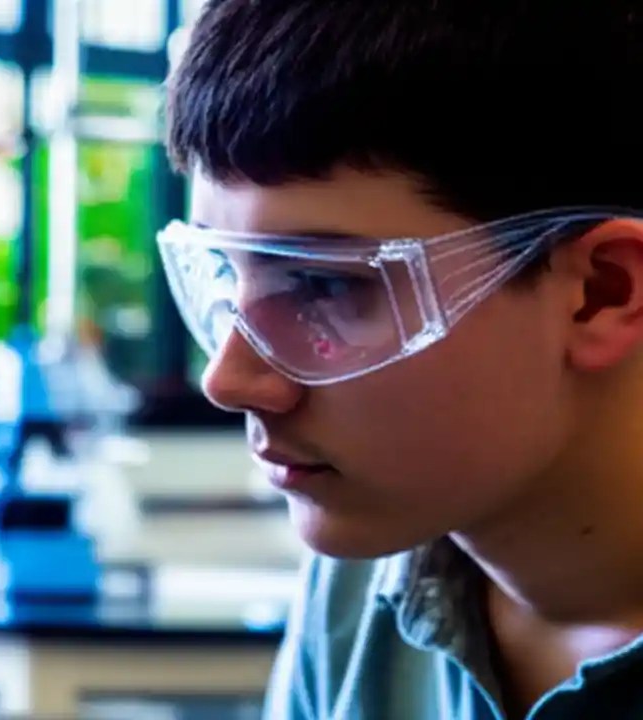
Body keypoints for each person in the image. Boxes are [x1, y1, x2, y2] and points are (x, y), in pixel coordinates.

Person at [159, 1, 643, 718]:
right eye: (225, 275)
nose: (229, 381)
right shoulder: (365, 590)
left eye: (322, 284)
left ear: (603, 293)